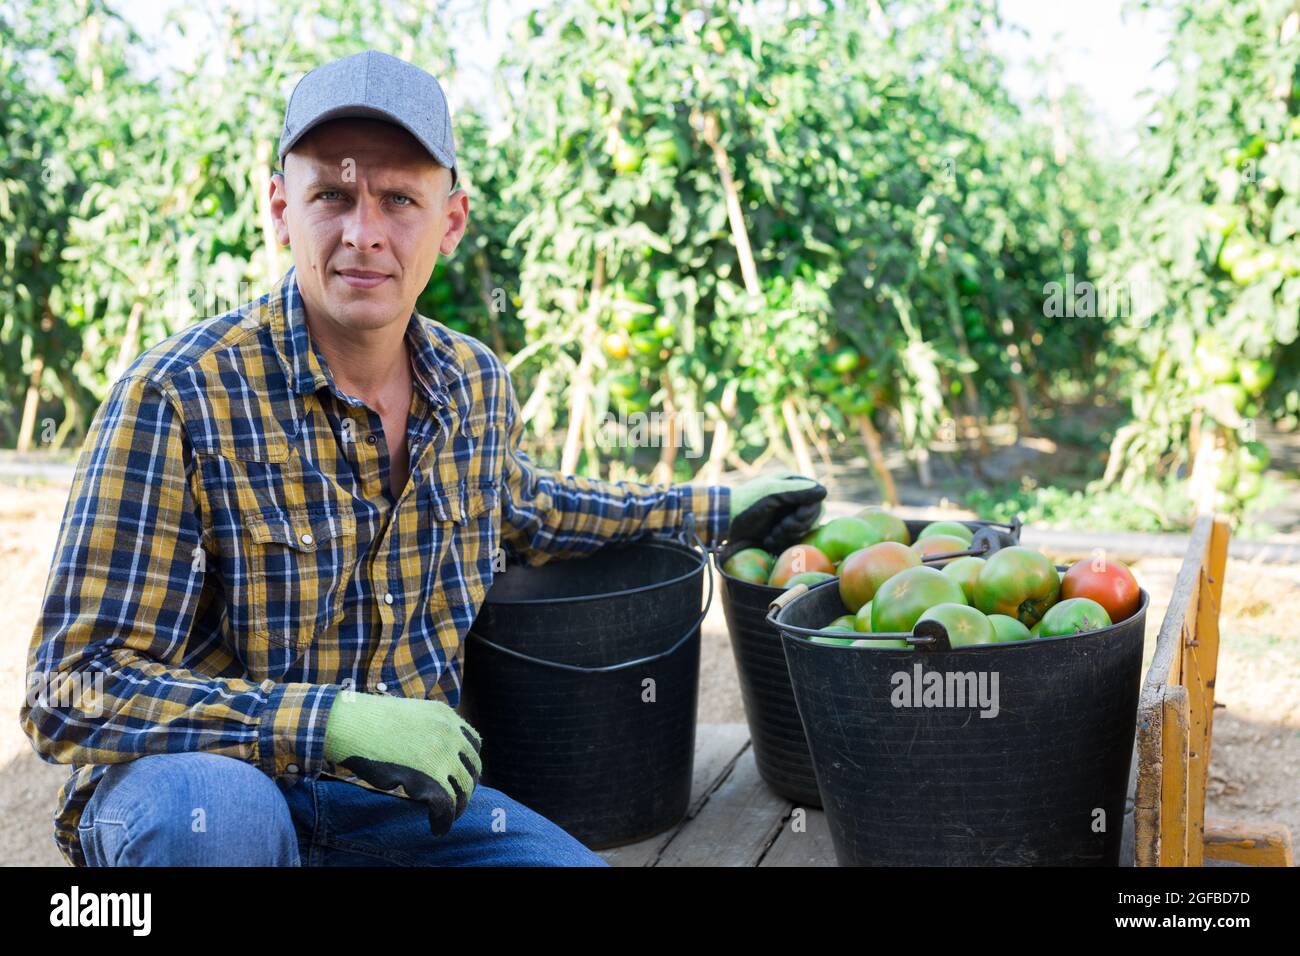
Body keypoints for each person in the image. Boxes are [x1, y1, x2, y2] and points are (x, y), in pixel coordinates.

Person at [19, 50, 825, 867]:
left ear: (451, 220)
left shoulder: (472, 385)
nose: (362, 232)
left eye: (399, 199)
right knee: (221, 822)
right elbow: (70, 687)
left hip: (393, 810)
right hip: (205, 787)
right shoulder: (179, 395)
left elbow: (534, 509)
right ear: (278, 207)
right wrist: (329, 721)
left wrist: (719, 510)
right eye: (331, 195)